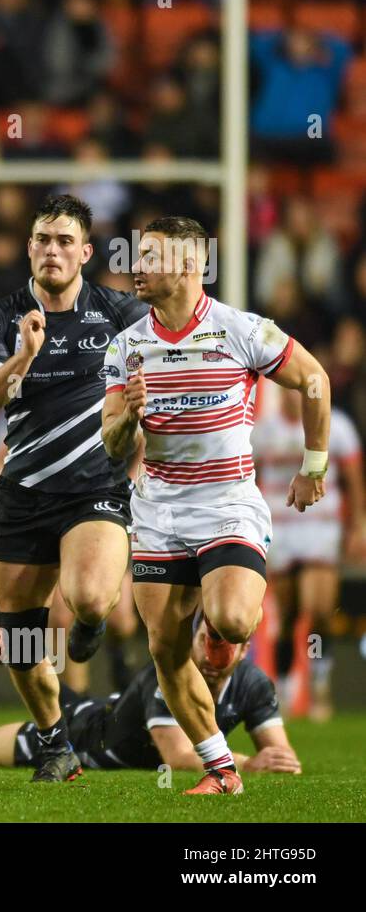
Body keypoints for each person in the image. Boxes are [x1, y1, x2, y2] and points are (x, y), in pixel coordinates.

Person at [102, 216, 333, 795]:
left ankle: (226, 590)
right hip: (157, 508)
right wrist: (128, 413)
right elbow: (112, 445)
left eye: (149, 255)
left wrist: (314, 465)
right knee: (166, 649)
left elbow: (314, 381)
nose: (136, 264)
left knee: (230, 618)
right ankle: (220, 770)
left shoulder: (241, 330)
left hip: (227, 500)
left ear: (187, 264)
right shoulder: (126, 346)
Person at [0, 193, 148, 782]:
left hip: (94, 488)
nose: (52, 249)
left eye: (65, 241)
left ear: (86, 252)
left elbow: (171, 361)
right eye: (43, 239)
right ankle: (52, 742)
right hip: (21, 493)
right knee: (22, 642)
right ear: (29, 248)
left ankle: (93, 624)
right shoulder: (2, 316)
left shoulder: (119, 312)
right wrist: (22, 357)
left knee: (91, 597)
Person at [0, 621, 301, 777]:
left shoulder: (254, 684)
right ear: (195, 635)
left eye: (226, 642)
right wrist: (247, 764)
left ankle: (20, 648)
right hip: (82, 739)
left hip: (103, 714)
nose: (213, 650)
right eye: (206, 637)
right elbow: (180, 755)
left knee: (71, 698)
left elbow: (282, 755)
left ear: (246, 648)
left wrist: (277, 759)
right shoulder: (171, 674)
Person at [251, 386, 366, 720]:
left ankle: (319, 680)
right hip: (281, 528)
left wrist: (356, 526)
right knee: (287, 615)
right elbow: (249, 477)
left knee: (317, 611)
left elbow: (353, 479)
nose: (291, 396)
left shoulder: (336, 426)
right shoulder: (264, 432)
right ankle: (286, 688)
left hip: (320, 525)